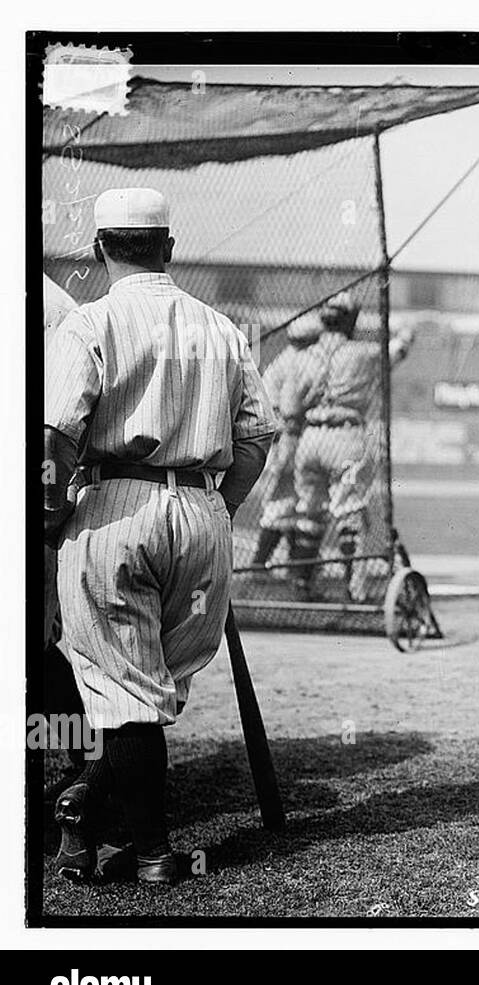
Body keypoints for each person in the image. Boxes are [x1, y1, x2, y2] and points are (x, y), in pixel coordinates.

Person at [44, 187, 280, 884]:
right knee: (146, 694)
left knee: (124, 694)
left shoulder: (89, 322)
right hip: (202, 515)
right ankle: (95, 810)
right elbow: (259, 434)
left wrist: (52, 525)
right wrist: (216, 509)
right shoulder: (220, 324)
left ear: (98, 250)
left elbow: (55, 438)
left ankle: (148, 851)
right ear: (169, 248)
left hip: (115, 503)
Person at [289, 295, 410, 600]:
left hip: (310, 438)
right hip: (345, 435)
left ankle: (302, 585)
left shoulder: (305, 355)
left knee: (308, 513)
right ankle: (354, 590)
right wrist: (407, 332)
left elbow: (290, 407)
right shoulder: (361, 353)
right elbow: (398, 351)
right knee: (350, 514)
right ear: (350, 320)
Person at [41, 274, 91, 802]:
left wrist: (49, 575)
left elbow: (57, 441)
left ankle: (93, 767)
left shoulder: (55, 309)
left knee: (34, 645)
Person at [250, 312, 322, 568]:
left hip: (283, 438)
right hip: (287, 439)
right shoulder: (301, 362)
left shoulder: (283, 360)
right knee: (283, 503)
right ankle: (261, 564)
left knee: (290, 503)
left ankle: (293, 563)